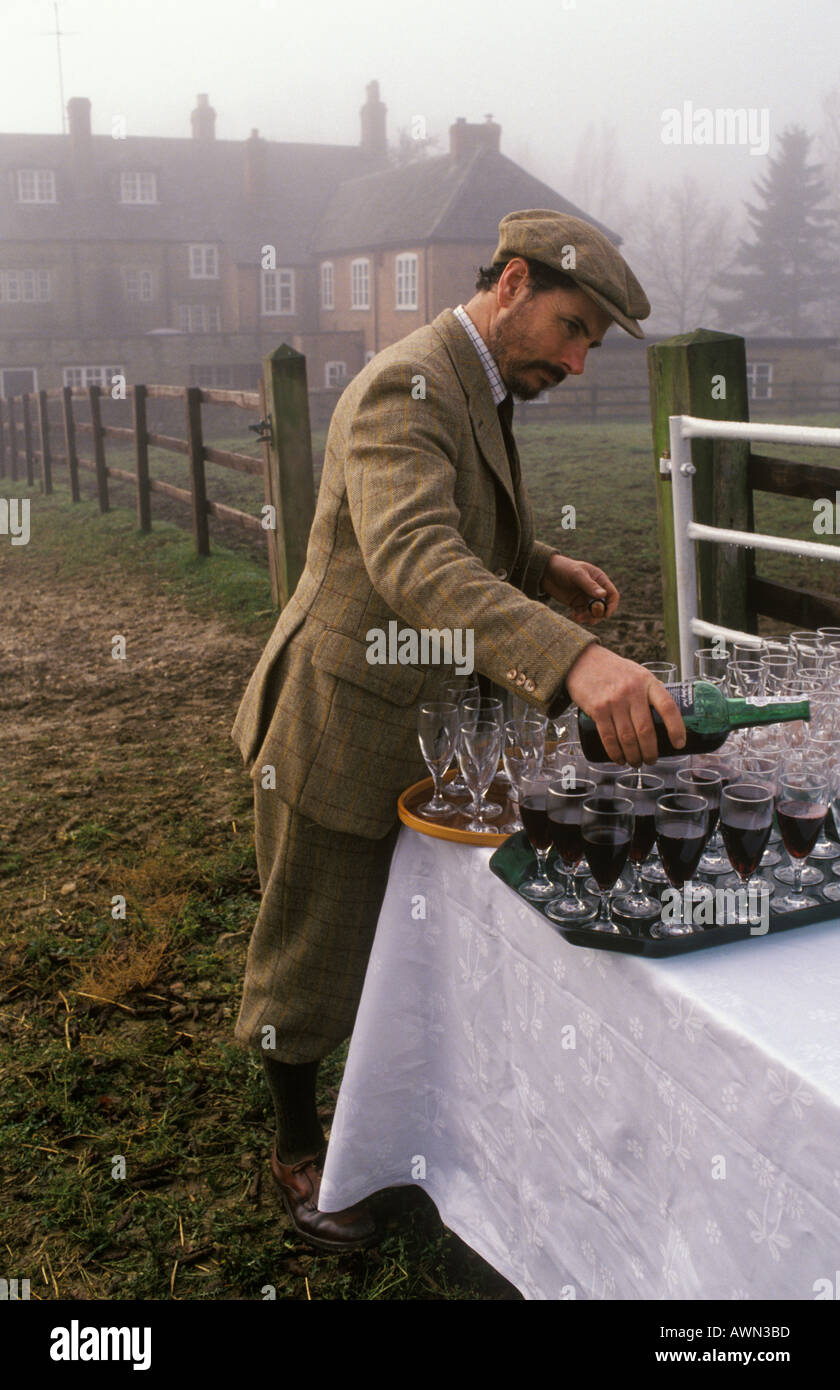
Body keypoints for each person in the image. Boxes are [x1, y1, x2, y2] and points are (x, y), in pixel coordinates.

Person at [230, 208, 686, 1251]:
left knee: (416, 942)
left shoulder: (475, 380)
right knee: (311, 950)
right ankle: (300, 1152)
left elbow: (465, 521)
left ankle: (404, 1123)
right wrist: (573, 659)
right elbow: (416, 557)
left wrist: (541, 567)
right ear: (514, 283)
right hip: (343, 718)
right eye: (572, 330)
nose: (576, 360)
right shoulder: (408, 380)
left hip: (433, 724)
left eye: (592, 347)